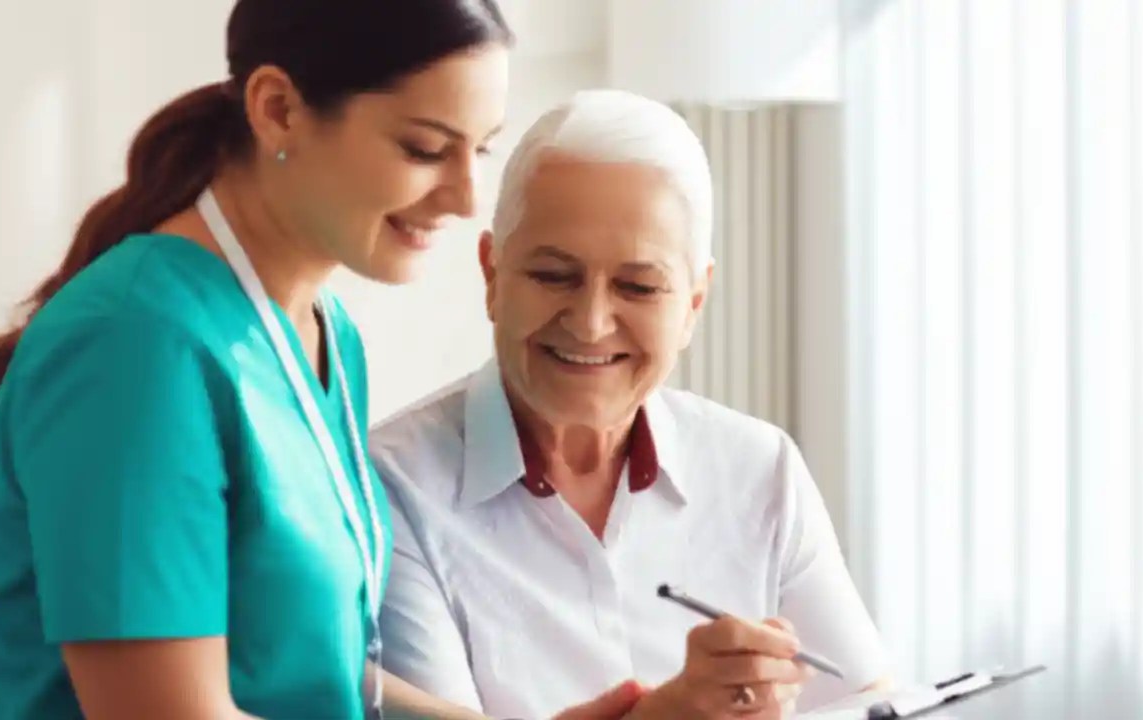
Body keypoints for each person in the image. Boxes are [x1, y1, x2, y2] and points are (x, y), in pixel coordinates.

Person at [0, 3, 644, 719]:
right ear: (278, 110)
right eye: (426, 149)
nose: (465, 199)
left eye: (480, 150)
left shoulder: (324, 333)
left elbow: (310, 675)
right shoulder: (136, 348)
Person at [371, 89, 894, 720]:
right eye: (553, 276)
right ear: (492, 275)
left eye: (638, 286)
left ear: (694, 304)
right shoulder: (390, 484)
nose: (591, 324)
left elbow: (869, 702)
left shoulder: (760, 468)